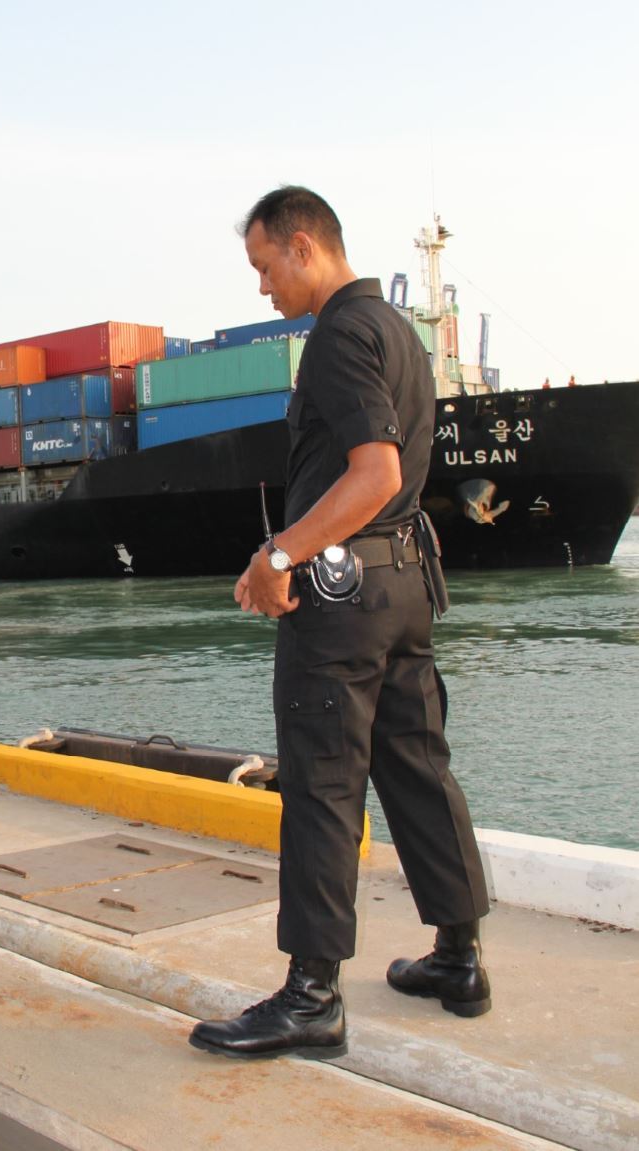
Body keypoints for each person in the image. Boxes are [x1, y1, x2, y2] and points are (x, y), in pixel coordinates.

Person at [189, 186, 490, 1060]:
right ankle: (459, 956)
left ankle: (312, 994)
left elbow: (371, 472)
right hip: (405, 585)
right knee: (417, 767)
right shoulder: (401, 331)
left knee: (322, 785)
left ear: (302, 246)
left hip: (343, 597)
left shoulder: (331, 340)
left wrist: (274, 556)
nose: (262, 289)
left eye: (263, 267)